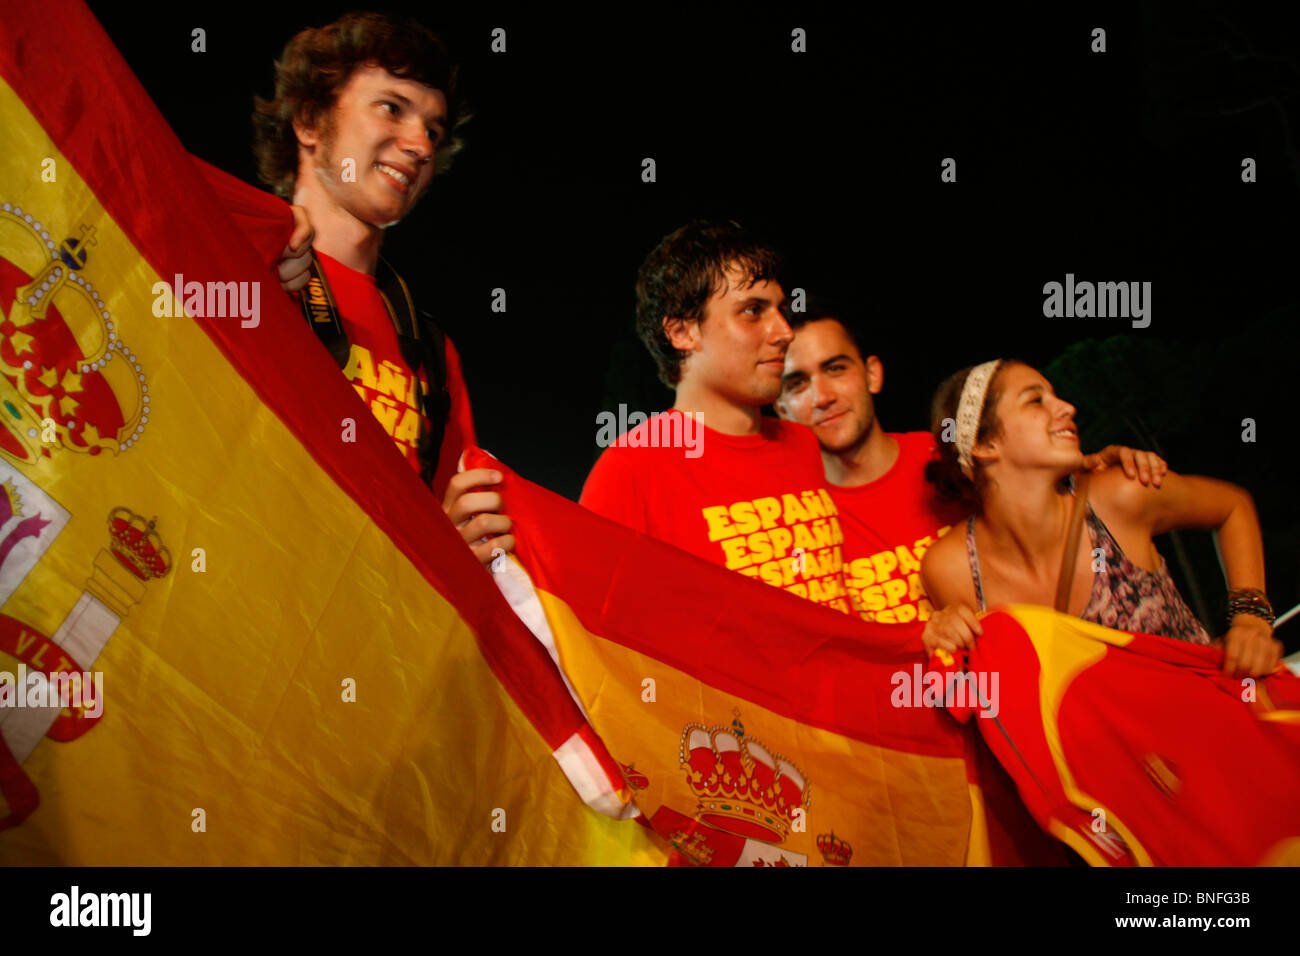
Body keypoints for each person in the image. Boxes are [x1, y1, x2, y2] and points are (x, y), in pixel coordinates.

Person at [251, 11, 511, 564]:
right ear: (310, 121)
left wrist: (453, 544)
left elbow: (443, 545)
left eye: (434, 132)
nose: (420, 145)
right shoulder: (226, 265)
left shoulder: (434, 353)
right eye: (392, 107)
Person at [774, 306, 1167, 627]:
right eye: (796, 384)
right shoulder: (786, 515)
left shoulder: (957, 459)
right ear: (780, 408)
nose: (821, 396)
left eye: (836, 368)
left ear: (872, 374)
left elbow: (1062, 508)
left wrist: (1092, 468)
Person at [919, 359, 1281, 678]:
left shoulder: (1120, 495)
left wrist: (1251, 620)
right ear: (985, 446)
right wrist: (944, 639)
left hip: (1212, 735)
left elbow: (1233, 506)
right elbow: (988, 695)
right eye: (1035, 400)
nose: (1067, 407)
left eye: (1054, 395)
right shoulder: (952, 568)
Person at [579, 222, 853, 613]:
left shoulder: (806, 444)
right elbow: (596, 636)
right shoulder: (630, 473)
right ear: (683, 332)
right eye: (753, 311)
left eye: (780, 310)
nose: (784, 332)